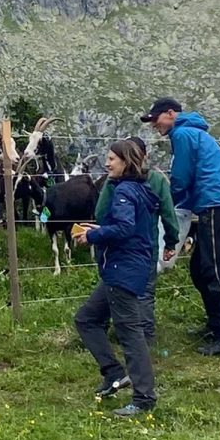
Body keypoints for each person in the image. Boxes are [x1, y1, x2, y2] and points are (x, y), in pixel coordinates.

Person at [141, 98, 220, 355]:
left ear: (170, 113)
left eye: (156, 119)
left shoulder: (183, 133)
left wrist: (165, 204)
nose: (154, 125)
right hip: (218, 203)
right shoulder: (192, 132)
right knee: (200, 268)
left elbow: (182, 177)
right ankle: (217, 324)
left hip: (216, 205)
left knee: (216, 269)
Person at [72, 140, 163, 417]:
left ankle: (144, 396)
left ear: (126, 162)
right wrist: (102, 228)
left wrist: (93, 235)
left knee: (130, 332)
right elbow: (131, 228)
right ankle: (114, 373)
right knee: (86, 318)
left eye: (112, 158)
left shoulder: (123, 191)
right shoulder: (140, 189)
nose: (108, 163)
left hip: (122, 269)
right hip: (129, 267)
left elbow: (124, 227)